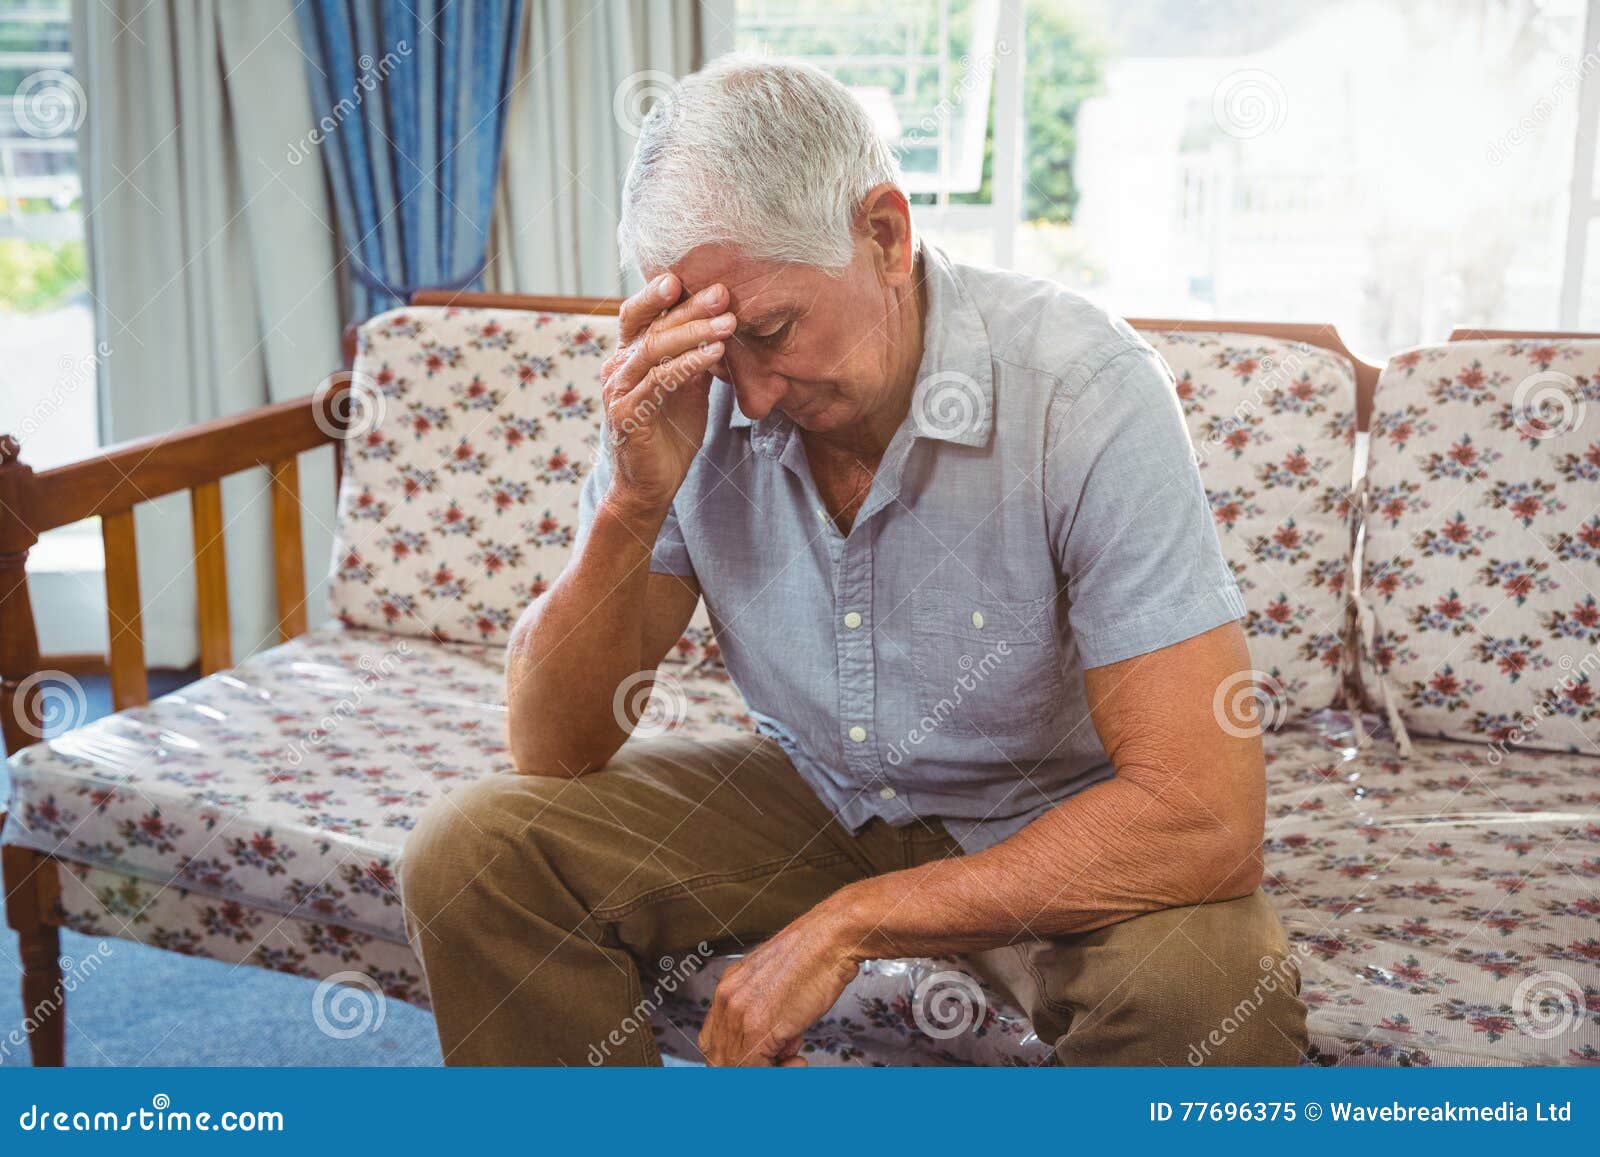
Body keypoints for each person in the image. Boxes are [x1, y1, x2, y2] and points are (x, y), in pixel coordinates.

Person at [400, 55, 1309, 1067]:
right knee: (476, 850)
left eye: (774, 330)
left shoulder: (1084, 387)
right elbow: (551, 750)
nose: (746, 398)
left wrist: (854, 920)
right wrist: (632, 500)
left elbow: (1202, 815)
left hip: (1049, 808)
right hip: (821, 787)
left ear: (883, 233)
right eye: (715, 351)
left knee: (1209, 988)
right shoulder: (690, 403)